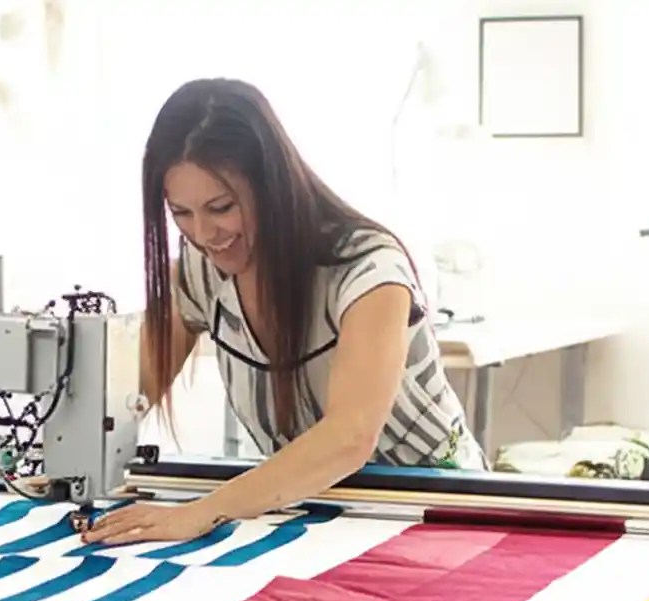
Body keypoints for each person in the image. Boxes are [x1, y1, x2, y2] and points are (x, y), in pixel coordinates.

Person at [81, 78, 485, 546]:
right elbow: (126, 397)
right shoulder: (198, 272)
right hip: (318, 518)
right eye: (182, 214)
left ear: (271, 185)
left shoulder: (370, 270)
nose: (205, 233)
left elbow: (349, 437)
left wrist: (204, 511)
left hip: (442, 513)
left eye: (221, 207)